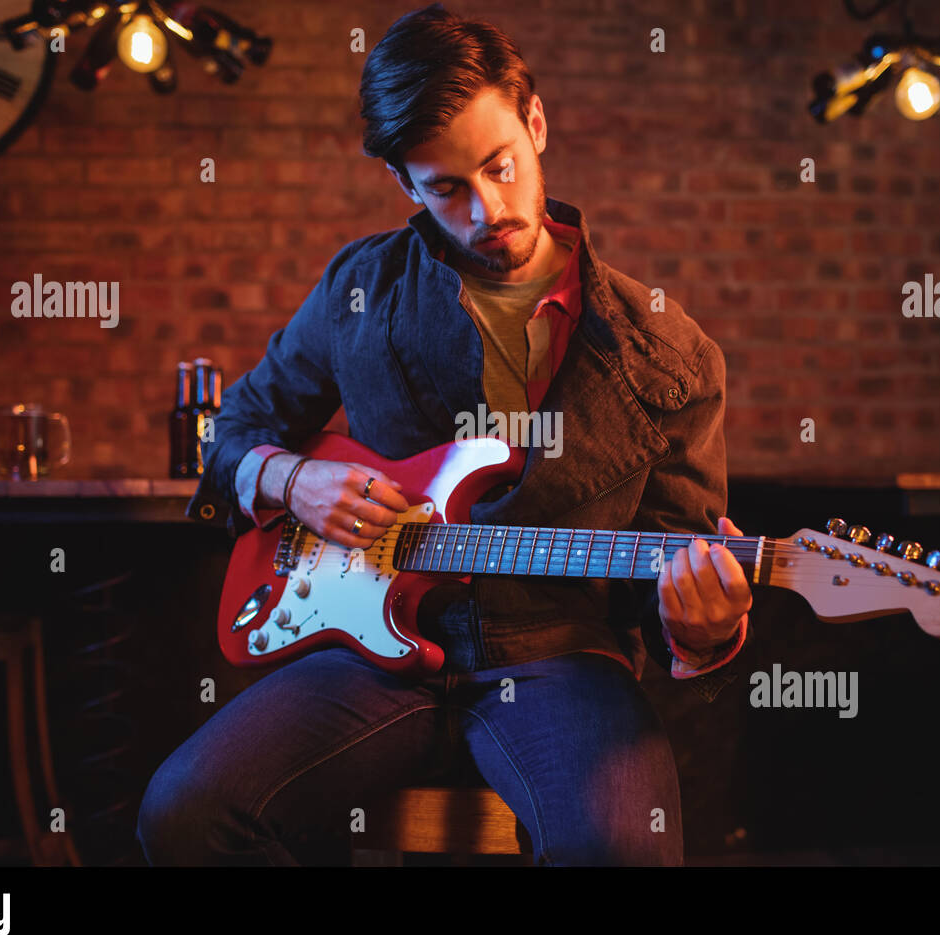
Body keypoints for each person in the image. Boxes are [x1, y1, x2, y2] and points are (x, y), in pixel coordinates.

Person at [137, 3, 752, 866]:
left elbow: (675, 576)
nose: (485, 209)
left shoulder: (672, 355)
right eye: (446, 188)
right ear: (405, 184)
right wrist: (290, 481)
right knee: (185, 810)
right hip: (365, 655)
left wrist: (703, 626)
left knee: (622, 853)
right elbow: (235, 428)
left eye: (499, 168)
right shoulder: (360, 287)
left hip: (559, 661)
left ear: (535, 124)